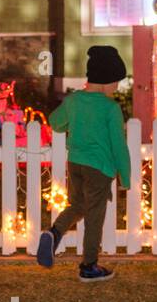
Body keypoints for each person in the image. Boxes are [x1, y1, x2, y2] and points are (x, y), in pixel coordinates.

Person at [37, 46, 131, 282]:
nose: (117, 87)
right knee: (94, 217)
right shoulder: (111, 108)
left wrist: (75, 122)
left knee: (77, 204)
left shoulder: (75, 100)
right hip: (99, 168)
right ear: (106, 80)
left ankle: (54, 232)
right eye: (116, 82)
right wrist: (125, 178)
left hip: (76, 164)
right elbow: (119, 146)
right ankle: (89, 266)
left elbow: (56, 123)